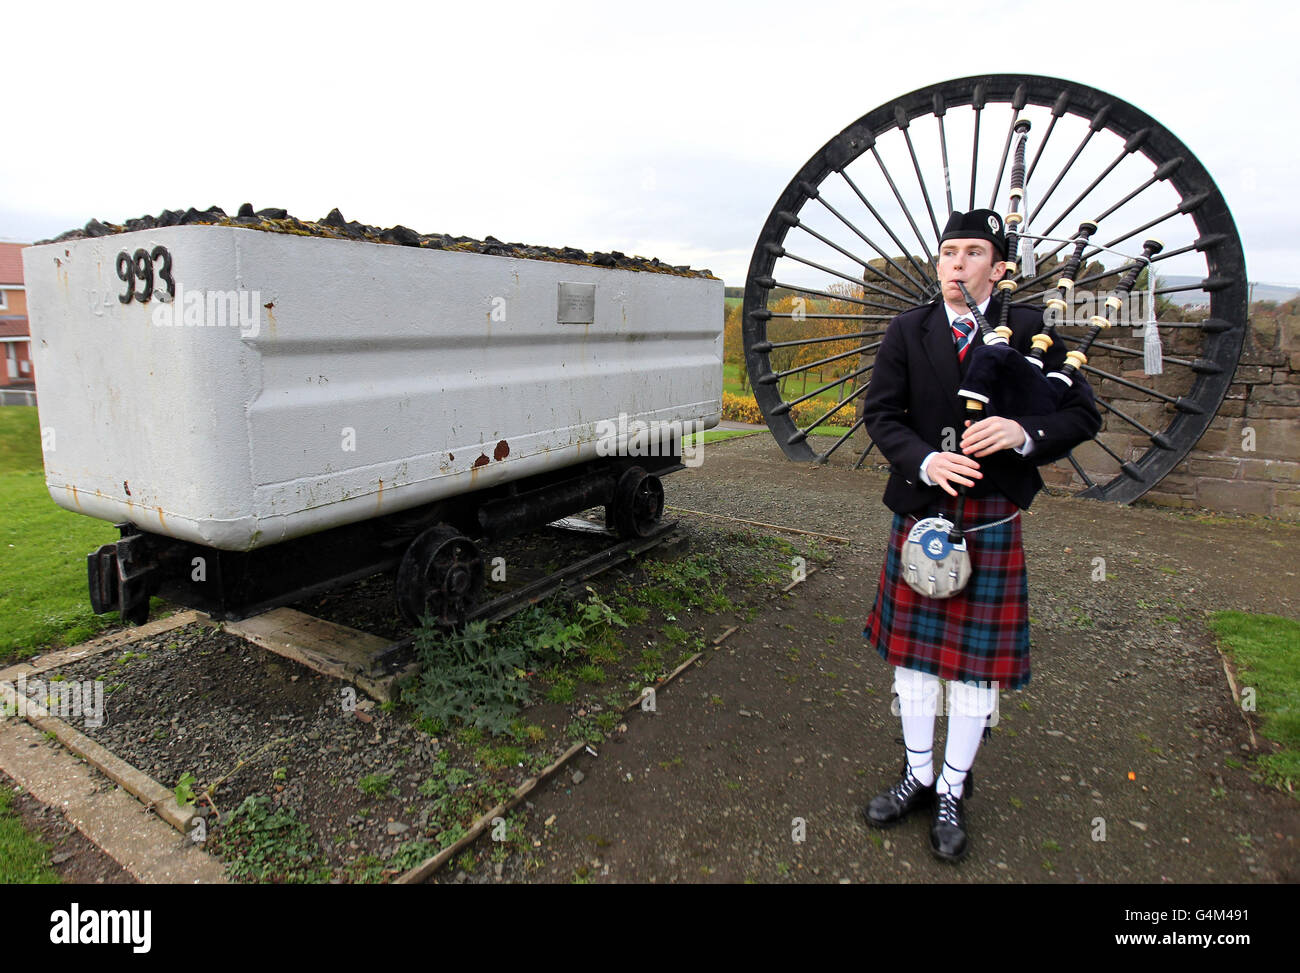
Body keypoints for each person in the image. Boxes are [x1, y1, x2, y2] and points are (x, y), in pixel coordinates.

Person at [859, 209, 1102, 862]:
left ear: (998, 268)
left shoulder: (1032, 331)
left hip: (991, 517)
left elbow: (1082, 413)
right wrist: (926, 459)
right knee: (912, 664)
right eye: (948, 251)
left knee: (972, 673)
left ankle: (952, 788)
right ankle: (916, 773)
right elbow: (880, 414)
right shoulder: (910, 330)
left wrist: (1024, 433)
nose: (957, 262)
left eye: (973, 252)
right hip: (921, 512)